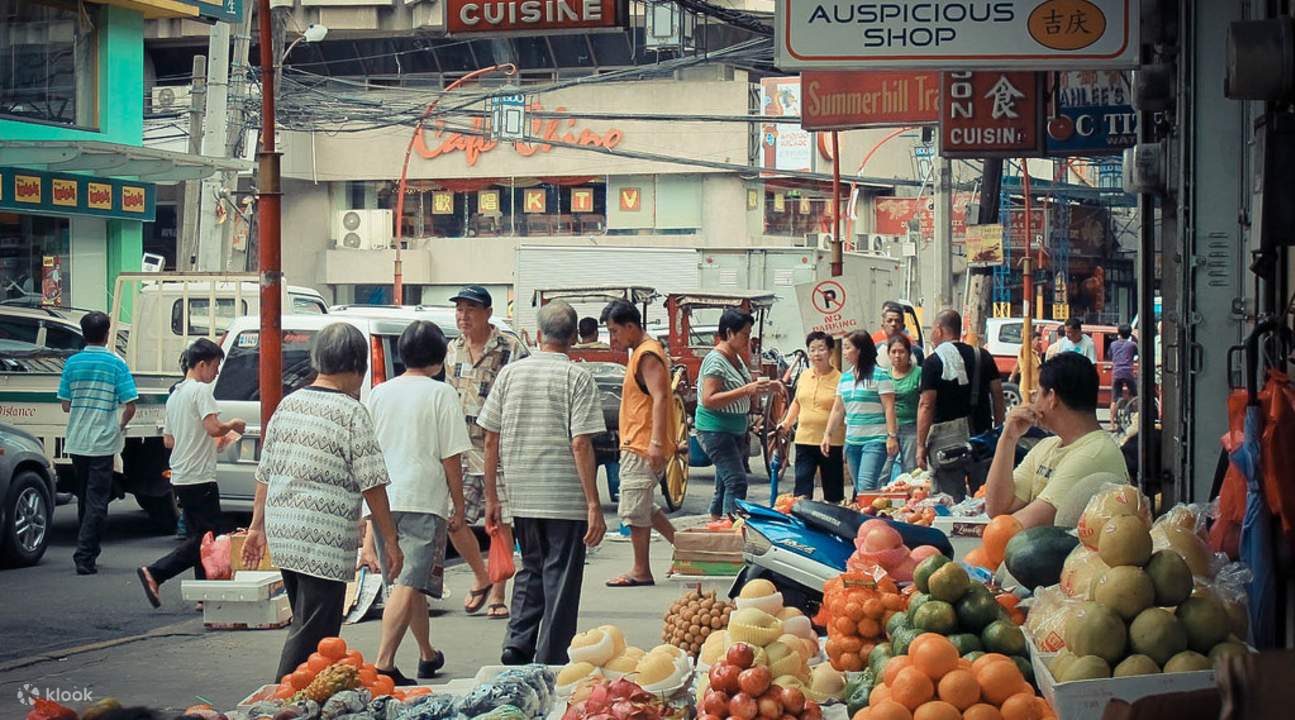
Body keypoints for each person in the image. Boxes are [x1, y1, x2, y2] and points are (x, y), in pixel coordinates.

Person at [240, 322, 404, 681]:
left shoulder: (289, 404)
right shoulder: (351, 412)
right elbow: (373, 484)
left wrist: (257, 527)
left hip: (286, 532)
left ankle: (304, 699)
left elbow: (265, 471)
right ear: (357, 365)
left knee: (307, 621)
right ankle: (278, 701)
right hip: (322, 541)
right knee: (316, 636)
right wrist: (389, 540)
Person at [478, 301, 607, 665]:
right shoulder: (577, 377)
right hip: (564, 498)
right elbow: (581, 442)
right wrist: (593, 504)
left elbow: (490, 437)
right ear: (572, 339)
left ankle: (517, 642)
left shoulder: (511, 374)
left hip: (522, 494)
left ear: (537, 335)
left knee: (531, 569)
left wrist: (493, 496)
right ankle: (550, 658)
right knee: (561, 580)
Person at [363, 321, 471, 685]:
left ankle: (427, 654)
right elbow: (451, 456)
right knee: (409, 582)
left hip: (383, 498)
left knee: (410, 582)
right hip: (423, 498)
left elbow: (369, 451)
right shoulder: (441, 394)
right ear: (440, 360)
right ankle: (384, 663)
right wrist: (459, 504)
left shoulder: (379, 393)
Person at [137, 339, 246, 606]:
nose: (217, 372)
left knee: (202, 533)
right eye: (216, 366)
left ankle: (203, 593)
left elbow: (169, 441)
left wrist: (208, 441)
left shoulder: (175, 395)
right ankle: (156, 572)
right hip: (200, 476)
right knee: (206, 537)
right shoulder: (200, 391)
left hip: (182, 474)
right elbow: (212, 427)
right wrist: (232, 424)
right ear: (202, 364)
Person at [445, 285, 528, 620]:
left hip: (499, 445)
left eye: (471, 310)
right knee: (454, 519)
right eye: (460, 310)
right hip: (462, 446)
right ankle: (480, 575)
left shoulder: (510, 348)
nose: (463, 316)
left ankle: (498, 591)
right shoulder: (452, 349)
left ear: (488, 314)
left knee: (500, 520)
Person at [985, 353, 1129, 528]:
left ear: (1052, 397)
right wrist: (1007, 439)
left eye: (1037, 393)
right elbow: (997, 508)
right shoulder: (1048, 445)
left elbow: (1018, 526)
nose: (1033, 401)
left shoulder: (1095, 454)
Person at [601, 300, 677, 587]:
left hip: (643, 442)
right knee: (644, 505)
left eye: (615, 331)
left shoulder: (647, 355)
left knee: (634, 509)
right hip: (638, 440)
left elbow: (660, 397)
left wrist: (656, 442)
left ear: (631, 327)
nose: (613, 338)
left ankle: (640, 569)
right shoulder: (642, 353)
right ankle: (685, 550)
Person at [58, 310, 138, 575]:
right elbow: (130, 405)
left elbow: (66, 405)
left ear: (83, 334)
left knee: (84, 496)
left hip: (78, 439)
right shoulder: (117, 364)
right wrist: (119, 426)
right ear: (107, 334)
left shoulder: (72, 364)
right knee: (97, 500)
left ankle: (88, 550)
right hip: (103, 441)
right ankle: (85, 554)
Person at [916, 310, 1005, 501]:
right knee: (984, 497)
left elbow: (926, 405)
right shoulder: (983, 356)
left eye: (932, 329)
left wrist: (920, 445)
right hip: (982, 438)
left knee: (949, 500)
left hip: (946, 444)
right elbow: (998, 396)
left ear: (939, 330)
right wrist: (998, 432)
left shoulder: (933, 362)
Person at [695, 308, 770, 521]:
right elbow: (709, 399)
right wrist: (747, 390)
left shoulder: (736, 358)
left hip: (735, 429)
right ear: (729, 333)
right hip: (716, 430)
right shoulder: (716, 360)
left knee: (724, 483)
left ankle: (716, 524)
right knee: (736, 481)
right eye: (744, 334)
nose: (748, 339)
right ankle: (730, 527)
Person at [822, 332, 897, 495]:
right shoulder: (845, 378)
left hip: (875, 440)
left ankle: (871, 520)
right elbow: (838, 409)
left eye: (848, 347)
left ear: (860, 350)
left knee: (866, 487)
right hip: (852, 442)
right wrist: (827, 434)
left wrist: (891, 436)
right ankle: (872, 516)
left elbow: (889, 407)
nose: (844, 352)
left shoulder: (880, 375)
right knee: (860, 489)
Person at [777, 331, 845, 502]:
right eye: (812, 349)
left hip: (831, 442)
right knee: (802, 488)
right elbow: (797, 402)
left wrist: (829, 435)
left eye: (821, 349)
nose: (816, 354)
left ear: (830, 351)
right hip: (804, 439)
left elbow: (840, 409)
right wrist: (786, 423)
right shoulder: (805, 376)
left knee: (832, 490)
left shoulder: (841, 379)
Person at [882, 334, 921, 483]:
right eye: (893, 352)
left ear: (909, 353)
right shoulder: (884, 376)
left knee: (911, 471)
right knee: (883, 470)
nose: (897, 356)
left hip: (912, 427)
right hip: (888, 429)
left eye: (901, 351)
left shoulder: (918, 373)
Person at [874, 302, 923, 369]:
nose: (893, 324)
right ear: (883, 326)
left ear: (903, 326)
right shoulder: (875, 350)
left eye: (897, 321)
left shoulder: (916, 351)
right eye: (889, 321)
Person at [1109, 324, 1139, 429]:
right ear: (1130, 334)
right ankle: (1136, 420)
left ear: (1119, 333)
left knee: (1114, 399)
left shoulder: (1113, 344)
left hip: (1116, 372)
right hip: (1128, 372)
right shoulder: (1132, 345)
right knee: (1135, 396)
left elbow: (1110, 356)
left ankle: (1112, 424)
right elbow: (1138, 355)